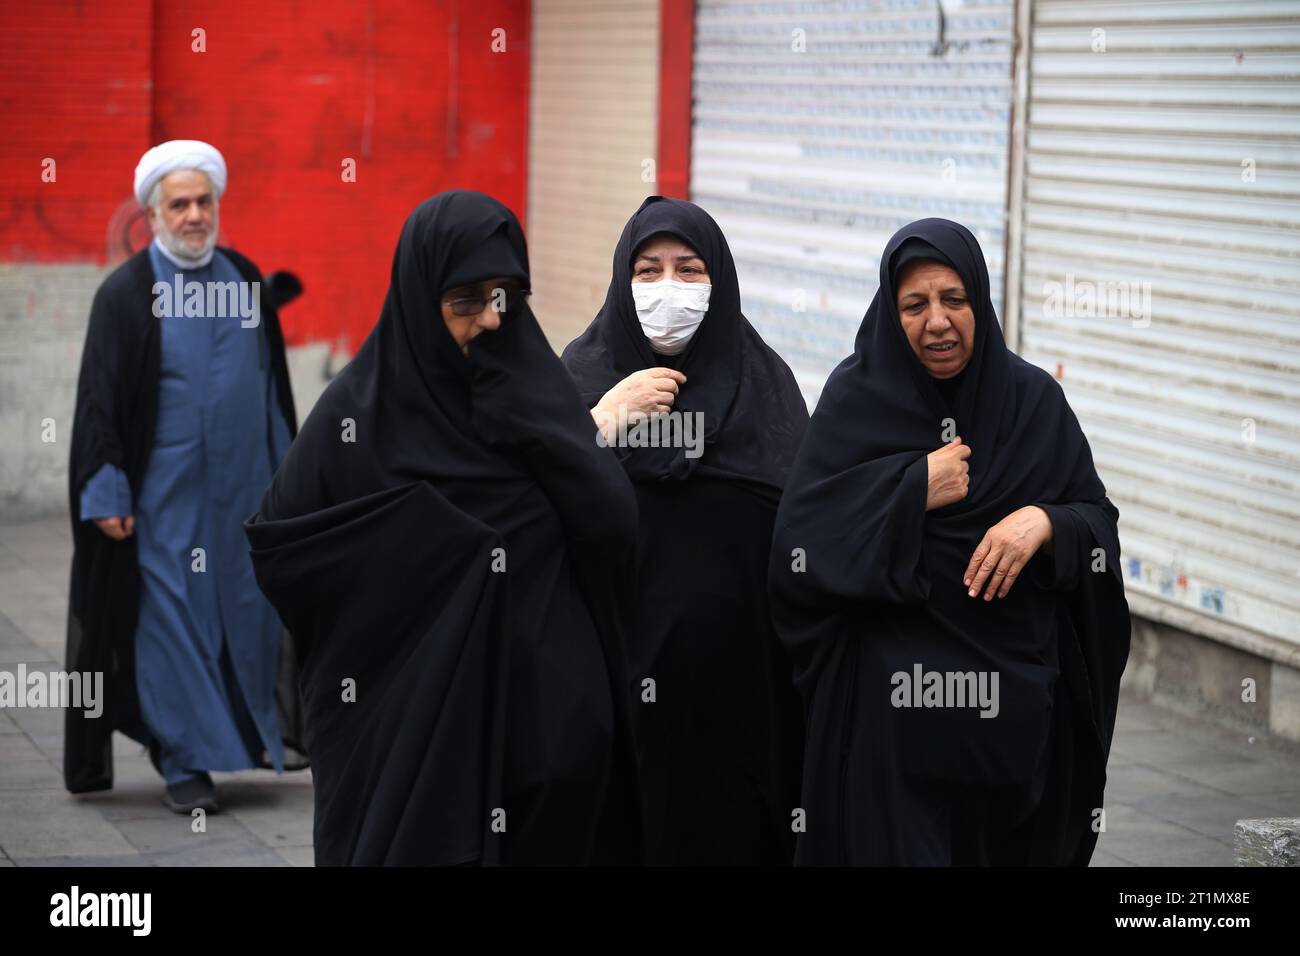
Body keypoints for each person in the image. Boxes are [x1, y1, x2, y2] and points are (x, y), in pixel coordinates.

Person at [246, 190, 643, 866]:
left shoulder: (535, 392)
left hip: (542, 742)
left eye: (505, 298)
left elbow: (612, 529)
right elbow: (286, 546)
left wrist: (561, 442)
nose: (490, 321)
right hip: (407, 727)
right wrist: (431, 558)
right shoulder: (359, 414)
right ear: (418, 297)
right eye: (465, 303)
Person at [769, 218, 1131, 865]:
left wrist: (1047, 524)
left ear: (980, 303)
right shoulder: (855, 404)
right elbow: (799, 550)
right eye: (915, 305)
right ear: (891, 313)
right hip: (893, 738)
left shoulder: (1032, 403)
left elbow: (1097, 525)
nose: (937, 321)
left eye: (953, 299)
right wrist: (908, 489)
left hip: (1010, 726)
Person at [562, 196, 808, 864]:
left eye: (689, 269)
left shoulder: (768, 390)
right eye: (648, 271)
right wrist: (600, 425)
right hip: (609, 696)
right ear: (621, 280)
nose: (668, 288)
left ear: (719, 281)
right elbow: (529, 516)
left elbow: (805, 540)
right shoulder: (574, 386)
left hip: (737, 701)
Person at [65, 140, 302, 814]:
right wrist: (106, 489)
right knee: (170, 623)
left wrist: (291, 479)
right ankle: (183, 761)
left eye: (204, 202)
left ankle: (244, 740)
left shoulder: (245, 279)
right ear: (153, 214)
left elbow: (271, 392)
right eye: (180, 204)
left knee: (245, 621)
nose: (195, 215)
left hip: (244, 495)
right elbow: (98, 402)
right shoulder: (124, 295)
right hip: (162, 503)